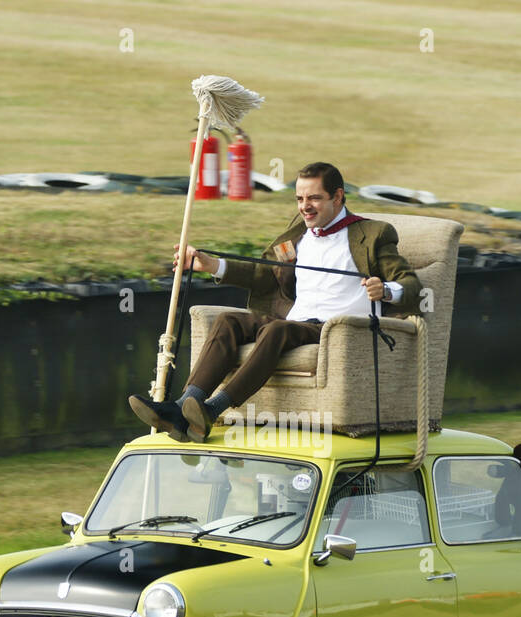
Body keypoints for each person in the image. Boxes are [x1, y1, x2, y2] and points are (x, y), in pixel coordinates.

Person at [129, 161, 421, 442]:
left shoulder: (372, 234)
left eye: (314, 198)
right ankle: (182, 407)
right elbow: (263, 273)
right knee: (228, 321)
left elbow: (411, 285)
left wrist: (384, 290)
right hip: (294, 321)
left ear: (338, 196)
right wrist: (212, 265)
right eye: (299, 198)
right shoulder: (296, 238)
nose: (305, 206)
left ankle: (212, 409)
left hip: (336, 330)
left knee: (276, 330)